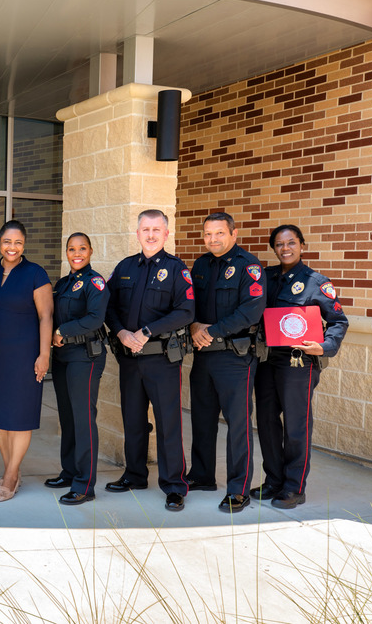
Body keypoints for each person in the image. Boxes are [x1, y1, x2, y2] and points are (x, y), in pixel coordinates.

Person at [103, 210, 195, 512]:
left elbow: (186, 312)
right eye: (145, 229)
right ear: (138, 232)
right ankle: (135, 475)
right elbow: (109, 306)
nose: (151, 234)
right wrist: (119, 331)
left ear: (166, 234)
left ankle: (173, 485)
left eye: (157, 229)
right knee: (133, 419)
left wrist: (146, 331)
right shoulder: (125, 267)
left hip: (162, 359)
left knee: (169, 422)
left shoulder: (177, 269)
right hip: (130, 358)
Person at [252, 225, 348, 509]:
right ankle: (273, 480)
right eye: (279, 244)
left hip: (298, 361)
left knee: (296, 425)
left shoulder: (316, 282)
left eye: (291, 243)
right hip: (266, 359)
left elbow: (338, 322)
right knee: (267, 422)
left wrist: (324, 346)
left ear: (302, 246)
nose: (285, 248)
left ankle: (294, 487)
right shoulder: (265, 278)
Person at [185, 212, 266, 513]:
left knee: (238, 425)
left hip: (235, 357)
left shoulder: (250, 267)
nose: (213, 239)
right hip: (204, 354)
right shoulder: (201, 265)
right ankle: (202, 475)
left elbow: (251, 312)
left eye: (219, 233)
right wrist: (193, 326)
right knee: (202, 419)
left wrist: (210, 331)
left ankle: (238, 489)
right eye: (207, 234)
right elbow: (189, 303)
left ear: (233, 234)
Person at [0, 220, 53, 502]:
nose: (12, 247)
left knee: (19, 417)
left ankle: (11, 475)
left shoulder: (36, 273)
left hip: (25, 354)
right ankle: (11, 468)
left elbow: (46, 316)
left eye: (18, 242)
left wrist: (44, 355)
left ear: (24, 245)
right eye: (7, 242)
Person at [45, 232, 109, 506]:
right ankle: (69, 472)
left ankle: (85, 485)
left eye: (82, 248)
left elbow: (96, 318)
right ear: (66, 252)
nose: (77, 253)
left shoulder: (95, 282)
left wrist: (61, 330)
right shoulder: (62, 283)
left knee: (83, 417)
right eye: (72, 249)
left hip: (85, 355)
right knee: (68, 416)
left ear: (91, 251)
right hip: (62, 356)